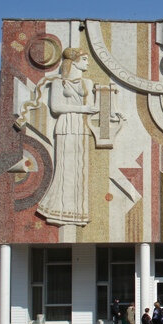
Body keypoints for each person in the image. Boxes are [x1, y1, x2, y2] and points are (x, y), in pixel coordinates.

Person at [37, 48, 99, 226]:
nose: (87, 62)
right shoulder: (59, 82)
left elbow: (93, 106)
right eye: (85, 59)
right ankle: (57, 209)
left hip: (81, 126)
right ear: (75, 61)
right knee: (65, 168)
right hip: (65, 125)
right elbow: (56, 107)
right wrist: (83, 109)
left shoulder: (88, 81)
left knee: (80, 169)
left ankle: (78, 213)